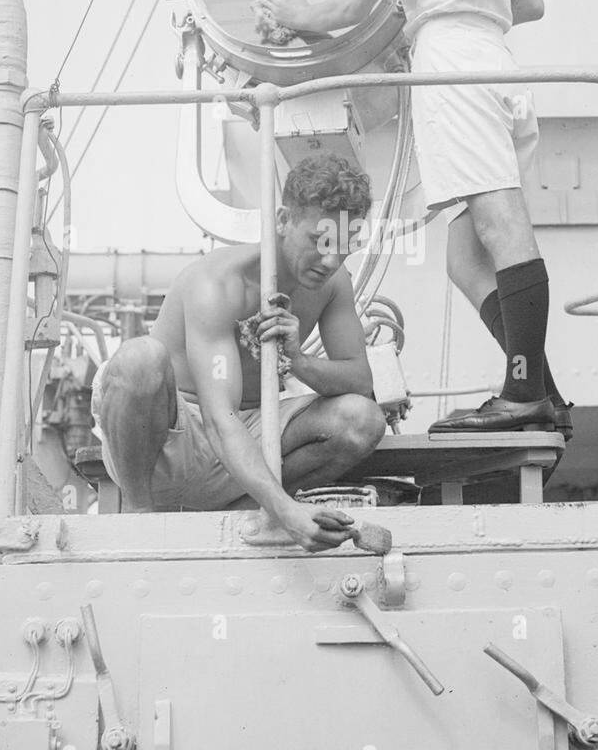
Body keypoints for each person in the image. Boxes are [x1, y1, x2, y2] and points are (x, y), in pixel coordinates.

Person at [254, 0, 571, 436]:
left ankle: (520, 397)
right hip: (491, 60)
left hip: (453, 64)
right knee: (464, 260)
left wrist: (293, 16)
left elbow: (350, 9)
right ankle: (542, 392)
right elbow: (530, 2)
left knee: (498, 223)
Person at [92, 153, 387, 549]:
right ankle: (141, 517)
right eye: (319, 241)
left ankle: (249, 509)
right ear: (282, 221)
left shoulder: (334, 284)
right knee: (138, 360)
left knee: (361, 419)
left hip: (250, 435)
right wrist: (290, 516)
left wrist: (298, 361)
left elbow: (360, 381)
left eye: (345, 245)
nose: (331, 260)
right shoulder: (218, 284)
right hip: (174, 442)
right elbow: (218, 417)